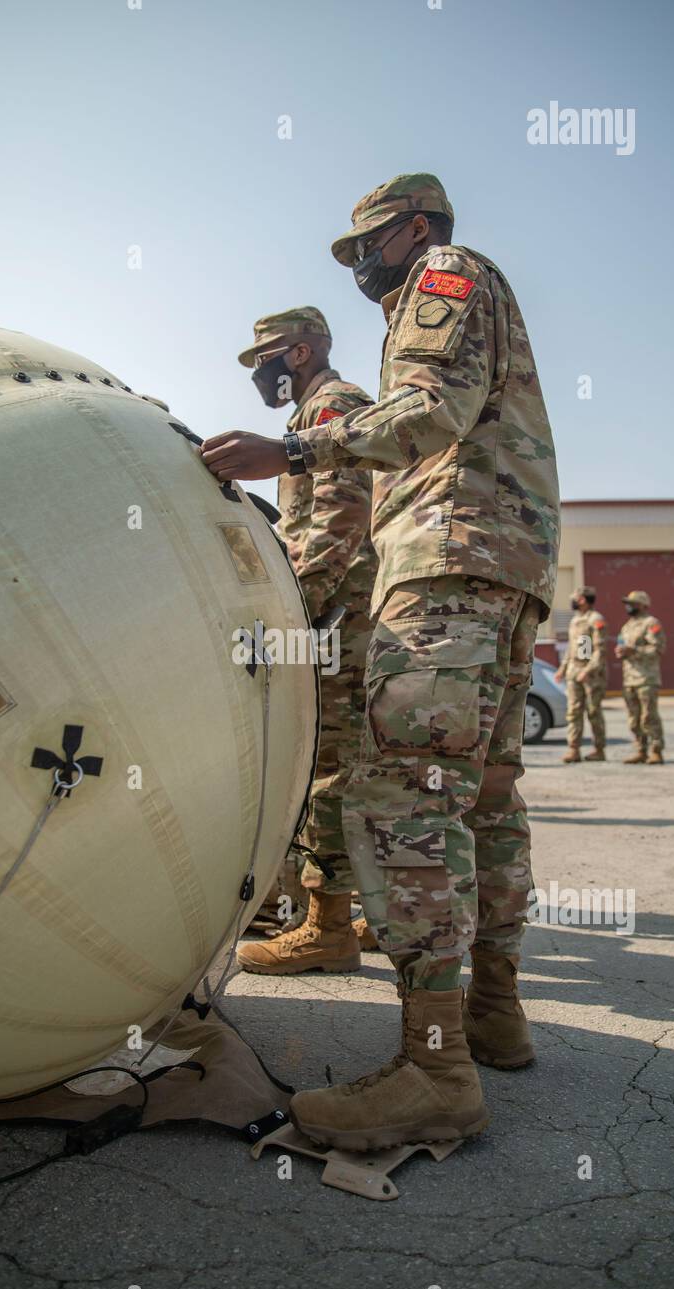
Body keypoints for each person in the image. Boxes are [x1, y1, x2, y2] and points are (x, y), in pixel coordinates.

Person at [201, 173, 559, 1152]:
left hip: (451, 558)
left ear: (410, 232)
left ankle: (434, 1069)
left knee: (401, 793)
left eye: (365, 246)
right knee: (482, 796)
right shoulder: (449, 290)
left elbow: (432, 413)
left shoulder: (442, 277)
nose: (360, 265)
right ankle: (491, 1012)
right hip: (498, 565)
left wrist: (296, 448)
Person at [234, 307, 380, 974]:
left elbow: (342, 518)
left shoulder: (334, 407)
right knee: (351, 764)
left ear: (295, 354)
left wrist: (298, 612)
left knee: (329, 766)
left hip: (336, 619)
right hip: (335, 614)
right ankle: (369, 909)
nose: (259, 377)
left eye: (261, 361)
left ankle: (328, 930)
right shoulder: (308, 421)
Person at [554, 586, 608, 761]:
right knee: (574, 712)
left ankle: (599, 750)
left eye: (575, 598)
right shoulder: (575, 620)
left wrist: (588, 670)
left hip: (591, 674)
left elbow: (600, 650)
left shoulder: (596, 619)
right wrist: (562, 669)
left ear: (583, 600)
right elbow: (572, 647)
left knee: (593, 712)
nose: (573, 601)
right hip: (573, 672)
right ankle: (574, 749)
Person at [616, 590, 666, 764]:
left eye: (633, 603)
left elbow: (657, 649)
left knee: (648, 716)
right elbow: (622, 645)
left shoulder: (651, 623)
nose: (628, 606)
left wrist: (634, 651)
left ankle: (656, 751)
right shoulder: (627, 626)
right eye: (627, 603)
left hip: (646, 678)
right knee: (633, 718)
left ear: (644, 605)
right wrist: (621, 652)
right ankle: (640, 750)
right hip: (629, 678)